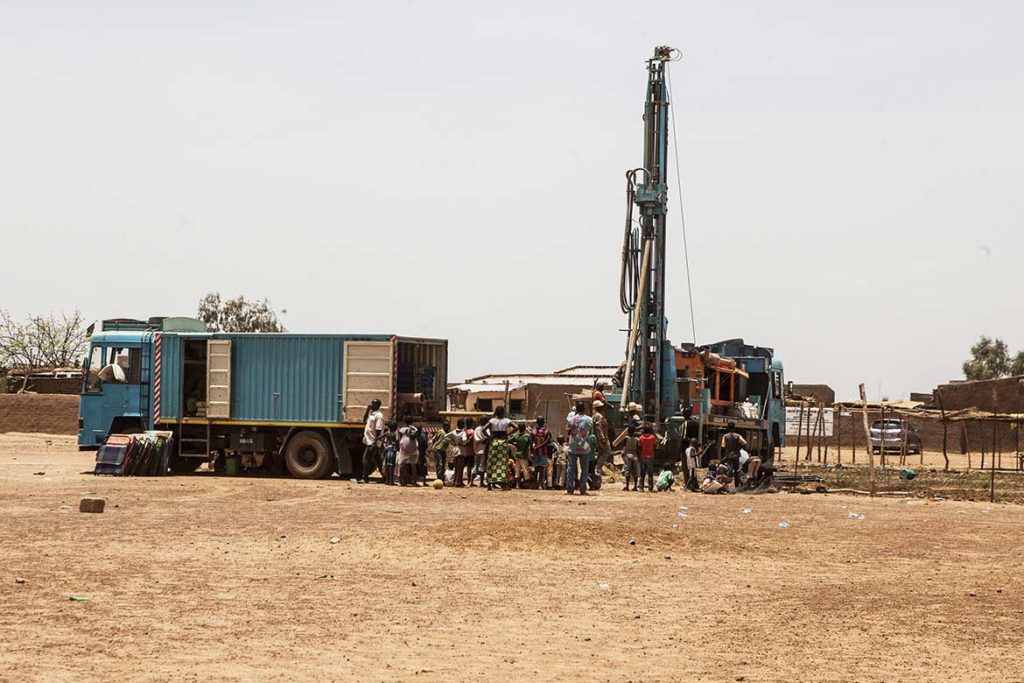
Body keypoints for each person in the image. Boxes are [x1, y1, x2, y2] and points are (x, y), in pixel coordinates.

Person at [565, 401, 593, 495]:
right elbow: (590, 430)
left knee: (571, 468)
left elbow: (568, 427)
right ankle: (582, 489)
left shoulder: (572, 419)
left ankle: (570, 489)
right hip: (584, 446)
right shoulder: (589, 419)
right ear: (584, 409)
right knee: (584, 469)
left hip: (573, 446)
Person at [482, 406, 513, 491]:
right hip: (503, 444)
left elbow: (483, 429)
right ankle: (502, 481)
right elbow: (516, 427)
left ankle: (489, 483)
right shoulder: (507, 421)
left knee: (491, 462)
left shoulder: (492, 421)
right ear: (503, 412)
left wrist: (489, 437)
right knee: (502, 463)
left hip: (494, 443)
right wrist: (507, 434)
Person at [360, 399, 385, 483]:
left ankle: (365, 477)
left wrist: (375, 442)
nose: (371, 405)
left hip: (373, 442)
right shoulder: (371, 414)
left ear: (377, 405)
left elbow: (378, 430)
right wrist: (367, 410)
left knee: (366, 459)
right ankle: (384, 476)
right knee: (376, 459)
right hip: (369, 441)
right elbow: (364, 420)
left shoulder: (379, 416)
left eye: (373, 404)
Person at [613, 425, 640, 491]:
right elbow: (638, 449)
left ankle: (627, 486)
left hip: (628, 455)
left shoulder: (626, 438)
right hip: (635, 455)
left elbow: (624, 447)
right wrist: (639, 456)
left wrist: (623, 453)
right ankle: (635, 486)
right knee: (635, 471)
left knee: (628, 471)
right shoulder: (637, 439)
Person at [397, 417, 421, 487]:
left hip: (404, 449)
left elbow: (399, 439)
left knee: (402, 465)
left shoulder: (402, 429)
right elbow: (417, 437)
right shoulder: (415, 429)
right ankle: (414, 482)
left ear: (404, 422)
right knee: (413, 466)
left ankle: (401, 481)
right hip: (413, 448)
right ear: (412, 421)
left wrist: (399, 446)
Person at [530, 417, 553, 489]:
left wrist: (531, 451)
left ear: (537, 422)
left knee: (536, 468)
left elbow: (531, 442)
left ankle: (535, 484)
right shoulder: (547, 431)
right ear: (543, 422)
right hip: (543, 452)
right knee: (542, 469)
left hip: (535, 452)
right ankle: (540, 484)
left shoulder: (533, 431)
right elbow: (549, 441)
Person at [592, 400, 612, 476]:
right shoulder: (599, 416)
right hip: (602, 438)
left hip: (598, 438)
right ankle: (597, 468)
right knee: (607, 452)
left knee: (601, 453)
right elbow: (599, 428)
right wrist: (602, 438)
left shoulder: (595, 415)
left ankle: (596, 468)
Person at [510, 423, 533, 488]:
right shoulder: (527, 437)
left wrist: (515, 444)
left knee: (517, 470)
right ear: (524, 429)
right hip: (523, 455)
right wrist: (528, 431)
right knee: (525, 470)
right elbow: (532, 438)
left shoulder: (516, 436)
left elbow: (509, 440)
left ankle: (517, 485)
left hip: (517, 455)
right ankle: (527, 485)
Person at [637, 424, 658, 492]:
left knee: (642, 473)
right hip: (650, 457)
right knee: (650, 474)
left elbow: (639, 448)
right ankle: (650, 487)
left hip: (643, 456)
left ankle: (641, 487)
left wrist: (639, 456)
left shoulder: (641, 438)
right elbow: (654, 447)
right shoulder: (652, 437)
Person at [470, 416, 489, 487]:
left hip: (477, 450)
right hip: (484, 449)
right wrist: (484, 440)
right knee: (482, 466)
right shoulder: (486, 429)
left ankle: (471, 482)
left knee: (476, 465)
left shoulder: (476, 429)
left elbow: (476, 439)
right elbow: (487, 438)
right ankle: (481, 482)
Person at [451, 419, 470, 487]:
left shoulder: (453, 432)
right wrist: (467, 442)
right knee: (460, 467)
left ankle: (455, 481)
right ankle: (458, 482)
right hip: (461, 451)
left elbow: (446, 437)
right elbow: (464, 440)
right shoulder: (463, 433)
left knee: (456, 467)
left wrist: (453, 442)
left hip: (455, 450)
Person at [381, 421, 399, 485]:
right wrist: (397, 447)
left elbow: (380, 437)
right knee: (391, 465)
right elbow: (397, 441)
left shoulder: (387, 433)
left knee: (387, 464)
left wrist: (384, 442)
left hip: (387, 448)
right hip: (392, 449)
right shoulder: (395, 433)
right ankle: (391, 481)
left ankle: (387, 480)